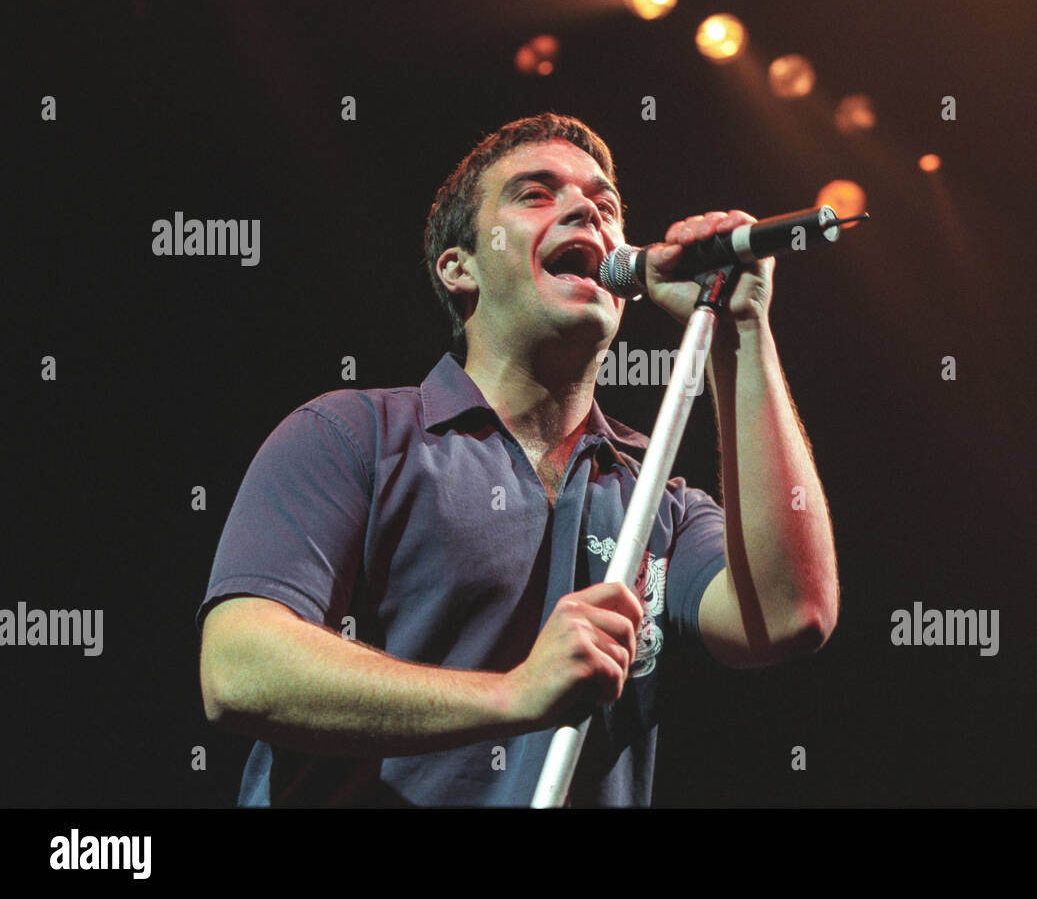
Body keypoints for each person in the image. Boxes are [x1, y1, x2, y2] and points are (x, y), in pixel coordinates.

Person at [197, 113, 838, 806]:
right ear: (459, 268)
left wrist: (740, 328)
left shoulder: (656, 494)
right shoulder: (353, 435)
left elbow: (787, 613)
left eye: (605, 204)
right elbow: (237, 667)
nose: (585, 209)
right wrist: (514, 695)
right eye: (535, 193)